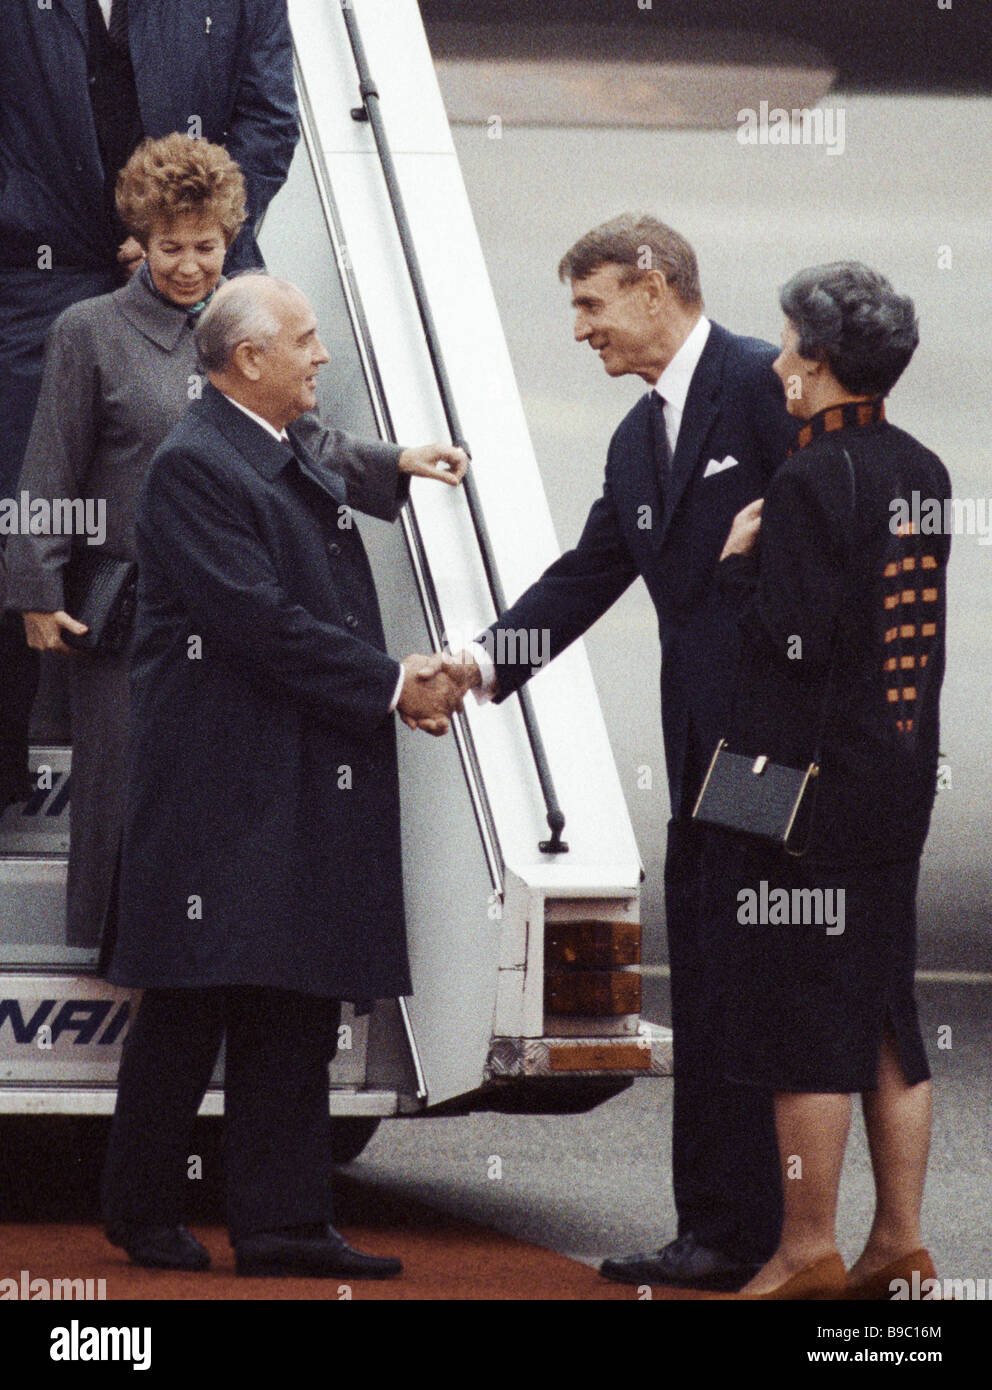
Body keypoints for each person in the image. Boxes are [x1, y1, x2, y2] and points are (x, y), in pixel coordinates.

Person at [433, 214, 796, 1289]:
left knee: (768, 981)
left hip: (781, 754)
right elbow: (589, 573)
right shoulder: (635, 438)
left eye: (590, 304)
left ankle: (769, 1234)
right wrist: (482, 666)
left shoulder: (765, 384)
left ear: (651, 286)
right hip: (698, 756)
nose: (581, 330)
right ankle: (718, 1232)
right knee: (713, 975)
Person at [100, 273, 467, 1276]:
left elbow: (320, 457)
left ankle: (283, 1224)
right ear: (247, 361)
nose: (321, 355)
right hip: (219, 780)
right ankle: (141, 1213)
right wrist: (397, 684)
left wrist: (398, 461)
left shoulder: (259, 434)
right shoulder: (191, 467)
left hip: (285, 765)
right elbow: (258, 622)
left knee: (293, 989)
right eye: (304, 341)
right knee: (193, 994)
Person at [703, 262, 948, 1299]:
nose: (781, 369)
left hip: (804, 793)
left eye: (792, 348)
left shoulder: (808, 479)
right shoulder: (925, 470)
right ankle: (897, 1240)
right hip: (894, 778)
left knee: (801, 1017)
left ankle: (805, 1246)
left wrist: (736, 564)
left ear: (824, 359)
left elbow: (793, 644)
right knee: (884, 1006)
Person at [0, 0, 298, 810]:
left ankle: (218, 779)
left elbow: (268, 118)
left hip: (192, 267)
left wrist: (182, 234)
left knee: (225, 485)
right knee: (22, 488)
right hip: (29, 273)